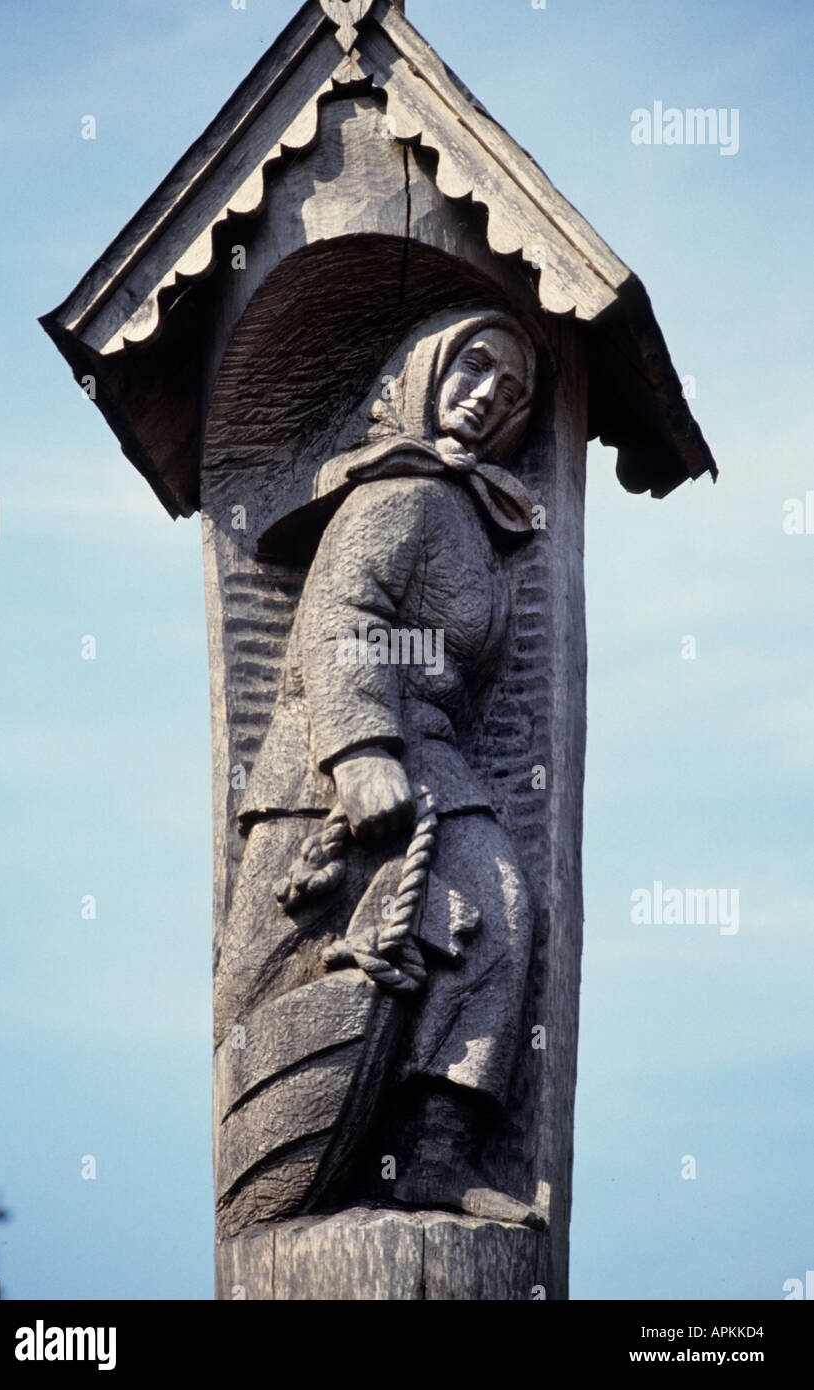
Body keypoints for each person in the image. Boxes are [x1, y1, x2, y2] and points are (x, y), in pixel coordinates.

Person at [216, 306, 545, 1226]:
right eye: (473, 368)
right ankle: (297, 1181)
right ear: (423, 368)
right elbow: (339, 619)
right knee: (296, 969)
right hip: (335, 770)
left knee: (501, 915)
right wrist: (361, 752)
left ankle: (434, 1154)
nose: (486, 398)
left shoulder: (468, 507)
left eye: (510, 393)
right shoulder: (398, 490)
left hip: (435, 757)